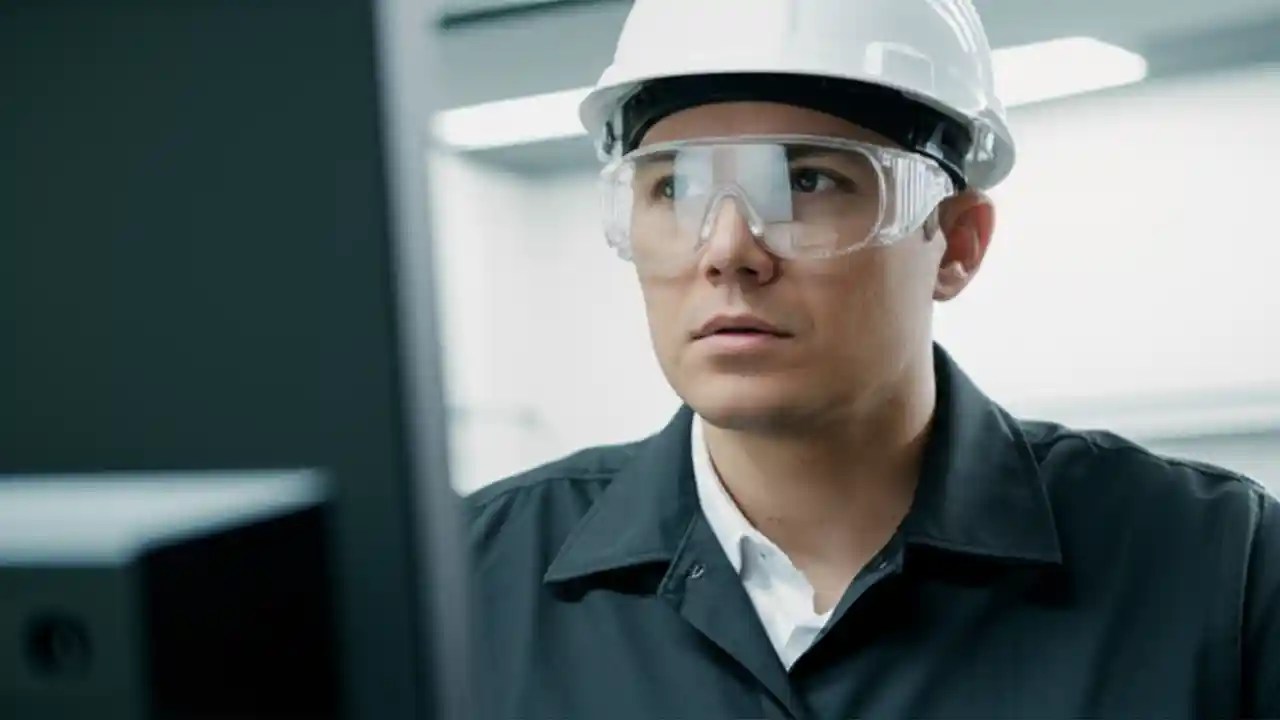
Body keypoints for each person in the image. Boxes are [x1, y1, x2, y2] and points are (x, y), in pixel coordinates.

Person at [466, 1, 1280, 717]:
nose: (727, 251)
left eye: (808, 181)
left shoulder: (1219, 571)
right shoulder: (466, 581)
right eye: (674, 188)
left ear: (957, 243)